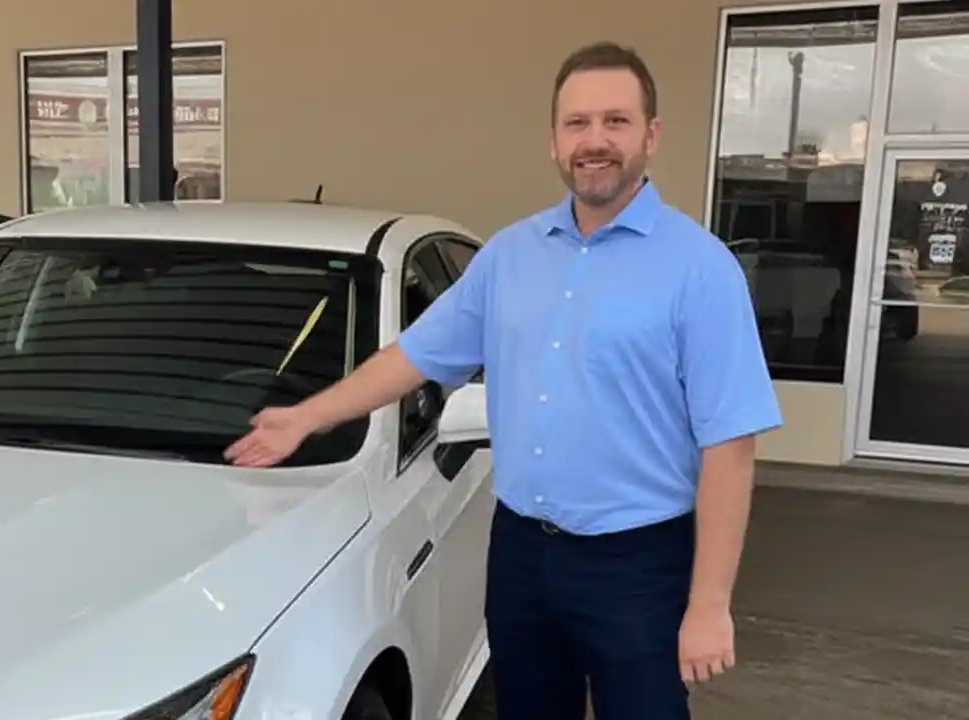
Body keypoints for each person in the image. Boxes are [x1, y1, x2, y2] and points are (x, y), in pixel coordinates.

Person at [224, 40, 782, 719]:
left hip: (637, 566)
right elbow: (415, 356)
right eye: (577, 123)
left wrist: (710, 605)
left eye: (616, 121)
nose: (595, 140)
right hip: (522, 554)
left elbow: (731, 446)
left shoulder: (701, 269)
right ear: (554, 142)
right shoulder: (510, 256)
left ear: (651, 135)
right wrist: (304, 417)